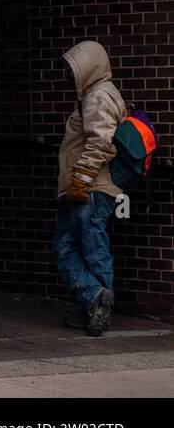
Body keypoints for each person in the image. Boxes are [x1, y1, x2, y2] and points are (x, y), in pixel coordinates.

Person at [55, 40, 126, 337]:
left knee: (90, 250)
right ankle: (92, 301)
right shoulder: (93, 96)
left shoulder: (99, 97)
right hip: (83, 190)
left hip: (91, 190)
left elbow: (101, 144)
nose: (70, 77)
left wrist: (81, 181)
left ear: (89, 67)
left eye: (74, 69)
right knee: (69, 247)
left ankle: (96, 301)